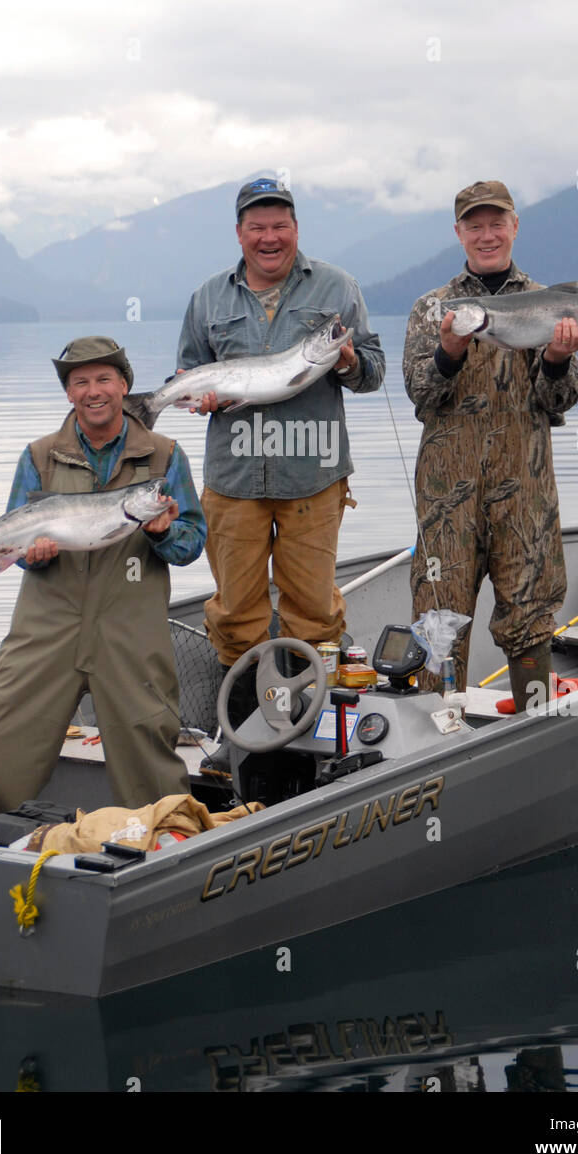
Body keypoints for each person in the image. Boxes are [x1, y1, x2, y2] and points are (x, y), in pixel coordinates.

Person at [176, 177, 385, 747]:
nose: (270, 237)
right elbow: (191, 370)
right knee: (234, 614)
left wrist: (343, 360)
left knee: (314, 612)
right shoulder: (208, 297)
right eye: (257, 227)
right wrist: (198, 399)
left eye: (280, 226)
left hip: (312, 478)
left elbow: (373, 370)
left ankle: (311, 733)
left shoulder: (339, 288)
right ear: (240, 233)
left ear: (296, 228)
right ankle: (241, 740)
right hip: (233, 479)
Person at [0, 335, 206, 820]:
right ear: (68, 393)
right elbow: (15, 539)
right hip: (47, 625)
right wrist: (34, 555)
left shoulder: (164, 456)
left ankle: (166, 852)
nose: (94, 391)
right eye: (81, 382)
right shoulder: (39, 456)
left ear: (124, 385)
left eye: (104, 379)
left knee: (151, 757)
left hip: (131, 629)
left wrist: (162, 531)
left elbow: (192, 541)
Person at [403, 180, 578, 710]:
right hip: (446, 497)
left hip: (525, 495)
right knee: (438, 618)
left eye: (496, 223)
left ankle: (535, 728)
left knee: (530, 617)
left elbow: (561, 401)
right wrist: (447, 351)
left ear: (514, 227)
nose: (486, 235)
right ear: (458, 232)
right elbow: (422, 395)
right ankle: (436, 736)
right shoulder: (433, 308)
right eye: (474, 225)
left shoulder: (553, 305)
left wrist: (555, 358)